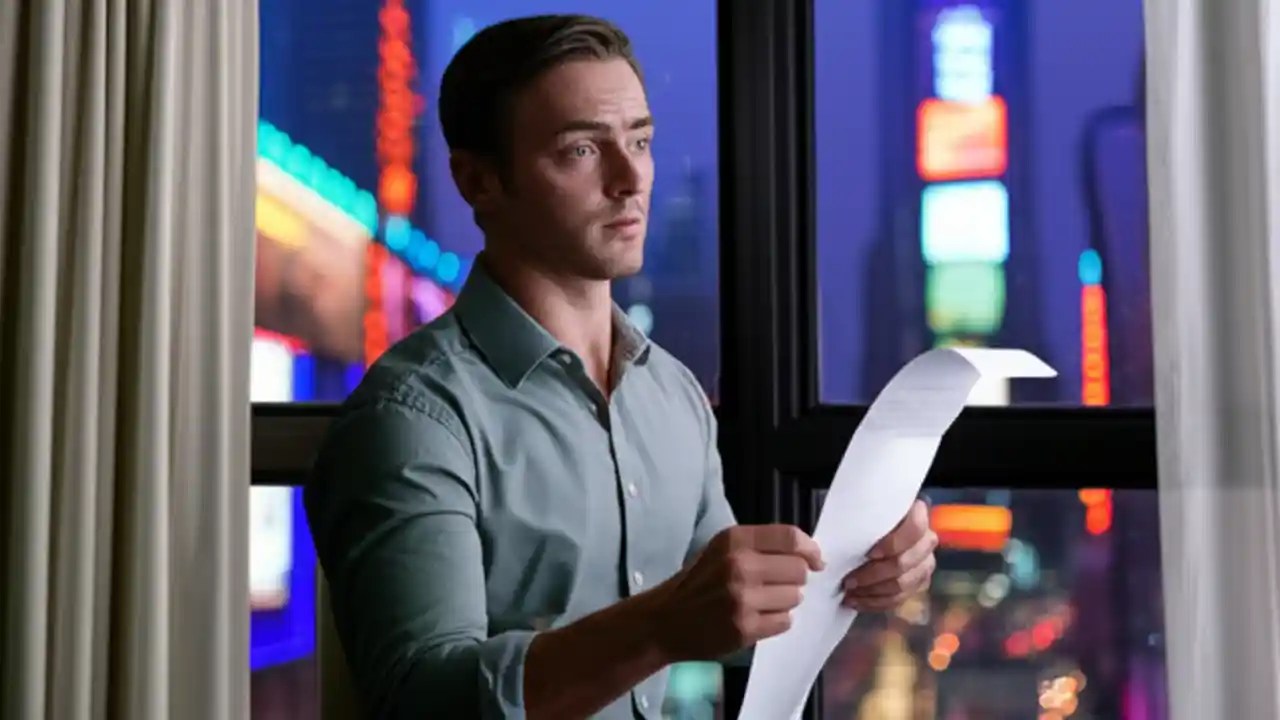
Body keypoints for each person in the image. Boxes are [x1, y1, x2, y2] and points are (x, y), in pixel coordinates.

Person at [305, 14, 938, 720]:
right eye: (581, 149)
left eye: (641, 141)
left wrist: (860, 575)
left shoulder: (670, 394)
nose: (631, 178)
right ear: (478, 180)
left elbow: (733, 624)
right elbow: (423, 701)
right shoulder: (413, 420)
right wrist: (660, 625)